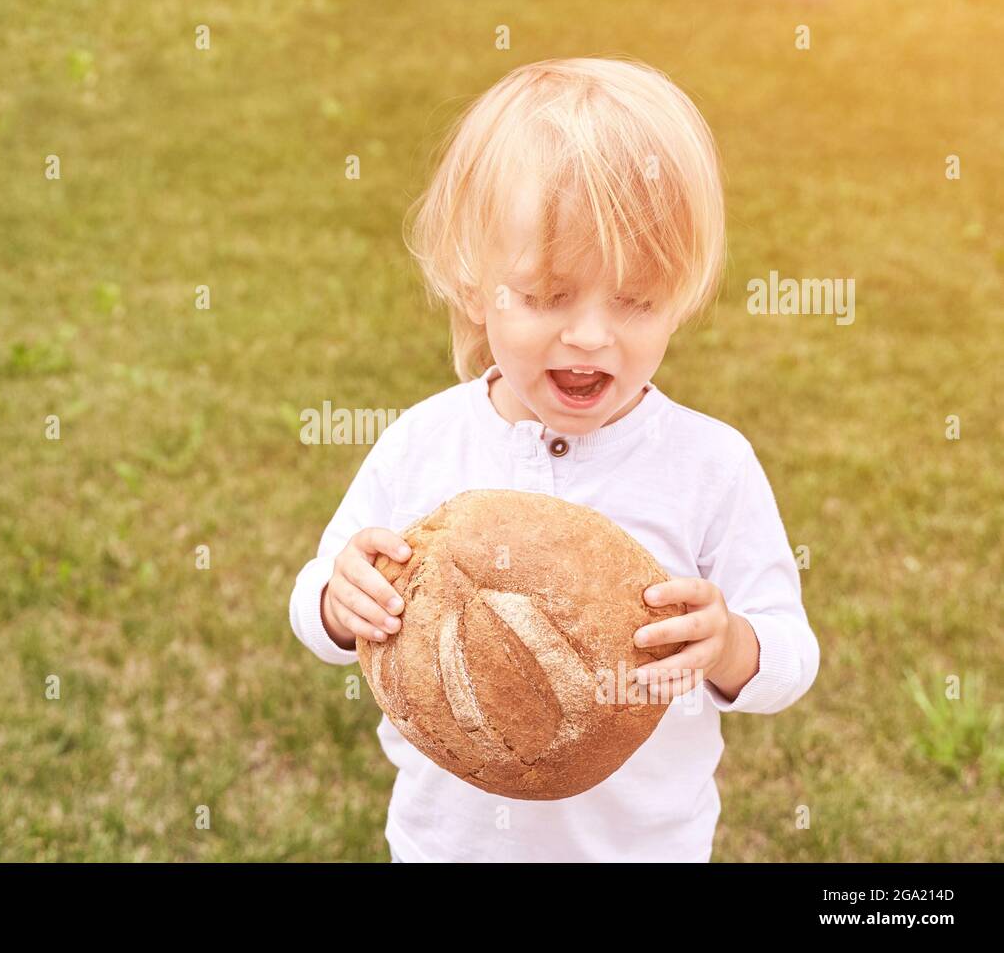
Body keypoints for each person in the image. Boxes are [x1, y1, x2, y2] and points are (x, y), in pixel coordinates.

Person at [289, 57, 820, 862]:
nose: (590, 335)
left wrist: (730, 644)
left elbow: (791, 657)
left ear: (680, 294)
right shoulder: (424, 441)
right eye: (547, 295)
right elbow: (319, 597)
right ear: (475, 286)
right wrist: (338, 597)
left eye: (636, 300)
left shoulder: (710, 465)